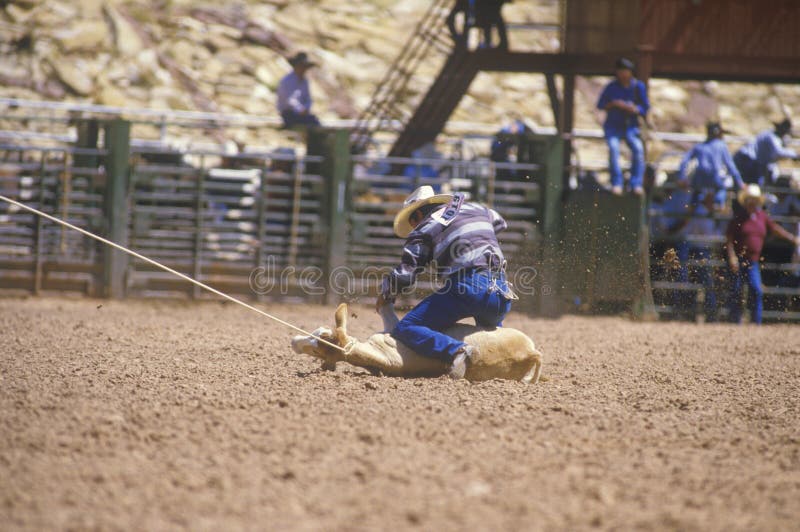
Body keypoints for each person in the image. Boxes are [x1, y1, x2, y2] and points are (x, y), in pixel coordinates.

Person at [376, 185, 516, 379]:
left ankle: (457, 351)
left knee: (407, 327)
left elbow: (406, 275)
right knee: (489, 332)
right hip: (502, 291)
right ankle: (503, 362)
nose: (412, 228)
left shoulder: (424, 228)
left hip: (468, 288)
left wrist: (386, 294)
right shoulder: (479, 209)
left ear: (417, 216)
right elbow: (500, 224)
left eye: (412, 223)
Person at [726, 184, 800, 324]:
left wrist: (792, 238)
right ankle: (735, 320)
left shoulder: (762, 216)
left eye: (754, 199)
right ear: (746, 201)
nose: (752, 202)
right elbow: (729, 238)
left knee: (755, 290)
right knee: (736, 290)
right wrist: (732, 256)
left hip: (753, 260)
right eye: (750, 199)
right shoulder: (739, 218)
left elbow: (775, 229)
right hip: (740, 259)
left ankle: (756, 321)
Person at [596, 57, 650, 196]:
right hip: (613, 126)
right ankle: (616, 183)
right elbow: (601, 105)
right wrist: (615, 104)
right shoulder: (611, 87)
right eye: (621, 71)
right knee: (614, 149)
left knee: (638, 150)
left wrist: (634, 109)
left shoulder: (638, 87)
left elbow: (645, 107)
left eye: (626, 71)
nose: (623, 74)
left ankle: (636, 184)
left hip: (631, 127)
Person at [678, 122, 744, 208]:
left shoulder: (699, 146)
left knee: (696, 194)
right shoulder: (721, 146)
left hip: (700, 178)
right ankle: (718, 206)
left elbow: (684, 160)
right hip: (715, 178)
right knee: (721, 190)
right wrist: (740, 182)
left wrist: (682, 177)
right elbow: (730, 165)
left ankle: (692, 208)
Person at [733, 119, 798, 187]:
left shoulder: (770, 134)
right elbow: (779, 152)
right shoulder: (771, 137)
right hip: (748, 159)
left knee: (751, 181)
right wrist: (795, 154)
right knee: (751, 182)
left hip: (752, 160)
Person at [276, 52, 321, 128]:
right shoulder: (287, 80)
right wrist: (300, 109)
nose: (303, 69)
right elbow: (289, 100)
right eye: (301, 66)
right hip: (288, 113)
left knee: (315, 122)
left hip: (302, 113)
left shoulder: (305, 81)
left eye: (305, 67)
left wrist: (306, 108)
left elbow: (308, 98)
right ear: (296, 66)